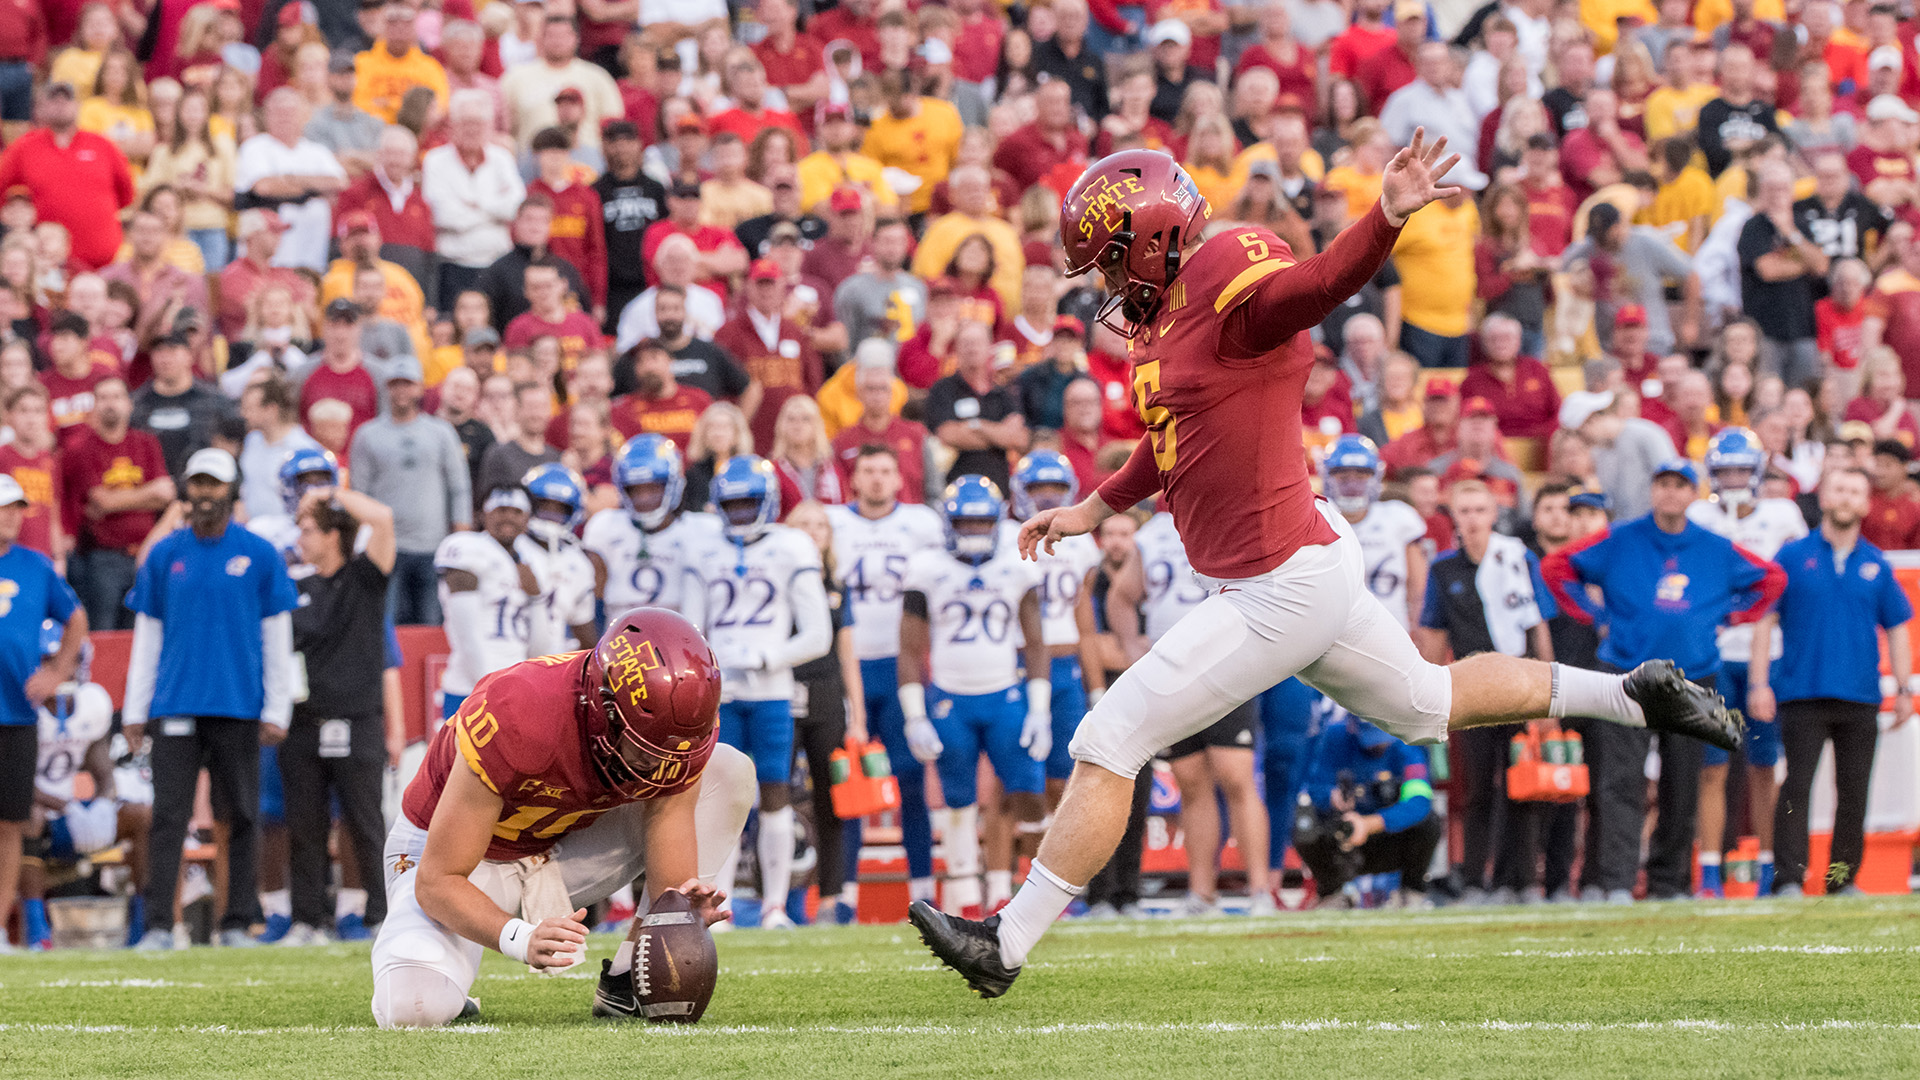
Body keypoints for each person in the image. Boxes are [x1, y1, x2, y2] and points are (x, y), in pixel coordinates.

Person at [912, 138, 1740, 999]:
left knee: (1108, 741)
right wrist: (1096, 507)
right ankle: (1630, 696)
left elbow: (1315, 288)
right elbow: (1178, 440)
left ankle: (1004, 944)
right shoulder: (1166, 320)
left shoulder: (1231, 269)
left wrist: (1382, 218)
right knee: (1429, 703)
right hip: (1311, 560)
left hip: (1278, 583)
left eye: (1112, 261)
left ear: (1153, 237)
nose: (1108, 285)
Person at [369, 610, 755, 1027]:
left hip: (552, 847)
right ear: (603, 705)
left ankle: (626, 983)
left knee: (727, 771)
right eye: (644, 750)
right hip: (453, 861)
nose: (656, 766)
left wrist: (675, 917)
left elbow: (670, 861)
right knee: (412, 1009)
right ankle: (450, 978)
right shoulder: (520, 711)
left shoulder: (674, 735)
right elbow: (437, 881)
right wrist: (519, 937)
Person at [1543, 459, 1785, 903]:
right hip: (1626, 671)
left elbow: (1772, 580)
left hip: (1692, 675)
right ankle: (1616, 882)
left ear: (1693, 493)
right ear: (1652, 491)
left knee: (1683, 781)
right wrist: (1595, 616)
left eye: (1680, 485)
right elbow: (1557, 567)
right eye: (1663, 484)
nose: (1671, 493)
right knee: (1620, 781)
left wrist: (1732, 617)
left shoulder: (1715, 547)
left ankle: (1668, 882)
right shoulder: (1620, 539)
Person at [125, 448, 299, 949]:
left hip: (239, 703)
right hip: (175, 702)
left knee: (240, 815)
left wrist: (276, 707)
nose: (205, 494)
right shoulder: (164, 555)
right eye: (198, 484)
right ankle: (161, 924)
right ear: (187, 489)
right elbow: (148, 637)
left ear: (233, 490)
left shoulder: (261, 554)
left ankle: (237, 921)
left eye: (214, 485)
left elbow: (277, 638)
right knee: (168, 817)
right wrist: (137, 709)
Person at [682, 456, 831, 929]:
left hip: (771, 689)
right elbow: (689, 629)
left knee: (774, 792)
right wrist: (710, 666)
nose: (741, 511)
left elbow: (818, 635)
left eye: (749, 502)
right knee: (720, 797)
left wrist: (770, 656)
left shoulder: (791, 546)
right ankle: (717, 910)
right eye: (733, 503)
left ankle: (774, 907)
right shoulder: (703, 548)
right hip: (720, 693)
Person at [895, 475, 1048, 919]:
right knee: (958, 801)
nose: (975, 530)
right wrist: (914, 715)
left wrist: (1038, 710)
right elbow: (908, 648)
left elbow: (1035, 643)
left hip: (1004, 694)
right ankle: (964, 898)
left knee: (1028, 794)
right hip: (950, 699)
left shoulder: (1017, 565)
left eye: (983, 522)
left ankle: (1027, 890)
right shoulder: (927, 568)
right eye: (966, 521)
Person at [1759, 466, 1913, 896]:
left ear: (1866, 504)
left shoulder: (1876, 564)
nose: (1846, 498)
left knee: (1853, 794)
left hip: (1860, 694)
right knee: (1796, 788)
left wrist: (1903, 689)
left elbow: (1899, 625)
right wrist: (1758, 683)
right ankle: (1788, 878)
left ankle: (1841, 881)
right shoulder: (1791, 557)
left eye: (1855, 492)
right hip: (1801, 692)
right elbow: (1764, 620)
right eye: (1839, 489)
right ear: (1824, 497)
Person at [1125, 502, 1273, 915]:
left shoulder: (1227, 517)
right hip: (1173, 669)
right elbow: (1122, 597)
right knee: (1190, 780)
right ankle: (1201, 890)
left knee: (1235, 775)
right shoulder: (1151, 534)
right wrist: (1132, 643)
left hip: (1225, 661)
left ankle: (1260, 888)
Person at [1414, 480, 1556, 904]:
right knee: (1476, 788)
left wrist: (1549, 694)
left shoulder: (1517, 558)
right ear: (1454, 516)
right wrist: (1433, 694)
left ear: (1494, 515)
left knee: (1524, 785)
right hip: (1472, 691)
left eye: (1480, 510)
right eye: (1465, 510)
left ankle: (1524, 880)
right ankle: (1475, 880)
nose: (1473, 519)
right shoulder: (1443, 570)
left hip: (1519, 686)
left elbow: (1538, 626)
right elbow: (1435, 635)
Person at [1685, 428, 1808, 897]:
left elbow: (1793, 585)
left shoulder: (1783, 515)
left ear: (1757, 471)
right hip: (1713, 655)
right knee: (1711, 768)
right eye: (1726, 470)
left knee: (1763, 766)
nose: (1734, 479)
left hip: (1768, 656)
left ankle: (1768, 868)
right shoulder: (1699, 516)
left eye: (1742, 469)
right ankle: (1710, 872)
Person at [826, 445, 947, 906]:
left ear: (901, 479)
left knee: (911, 778)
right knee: (849, 783)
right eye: (868, 471)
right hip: (848, 669)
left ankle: (921, 891)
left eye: (885, 471)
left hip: (903, 666)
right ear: (853, 479)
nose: (877, 479)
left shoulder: (921, 524)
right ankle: (846, 894)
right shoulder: (834, 523)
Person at [279, 482, 398, 945]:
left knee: (366, 824)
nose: (300, 539)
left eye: (308, 529)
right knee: (303, 827)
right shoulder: (295, 588)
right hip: (303, 723)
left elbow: (383, 519)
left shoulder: (365, 579)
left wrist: (328, 492)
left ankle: (381, 916)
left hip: (358, 721)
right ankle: (307, 920)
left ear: (332, 535)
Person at [0, 475, 88, 953]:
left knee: (11, 823)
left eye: (17, 508)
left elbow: (75, 618)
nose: (12, 515)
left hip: (15, 713)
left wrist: (57, 671)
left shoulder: (35, 566)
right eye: (4, 508)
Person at [1007, 452, 1106, 868]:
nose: (1046, 496)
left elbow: (1085, 623)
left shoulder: (1082, 543)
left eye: (1055, 488)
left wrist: (1097, 688)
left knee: (1064, 781)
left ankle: (1057, 875)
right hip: (1018, 666)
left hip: (1066, 668)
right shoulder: (1004, 538)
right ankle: (1003, 878)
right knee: (1014, 782)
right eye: (1036, 488)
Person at [782, 500, 869, 924]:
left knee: (831, 799)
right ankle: (778, 899)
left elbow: (848, 653)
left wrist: (858, 715)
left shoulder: (836, 583)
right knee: (775, 795)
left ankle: (833, 896)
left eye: (821, 524)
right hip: (780, 690)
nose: (814, 531)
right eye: (805, 523)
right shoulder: (776, 577)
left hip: (826, 693)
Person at [350, 355, 472, 625]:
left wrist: (460, 537)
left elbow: (458, 485)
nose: (402, 391)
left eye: (408, 384)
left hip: (433, 545)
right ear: (387, 388)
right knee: (388, 624)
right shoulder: (367, 435)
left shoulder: (440, 432)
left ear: (419, 388)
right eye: (395, 384)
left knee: (431, 622)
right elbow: (360, 493)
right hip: (386, 546)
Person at [1293, 708, 1442, 908]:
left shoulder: (1408, 745)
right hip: (1342, 836)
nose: (1377, 745)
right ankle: (1333, 892)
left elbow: (1419, 802)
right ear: (1352, 726)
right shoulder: (1335, 737)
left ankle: (1411, 892)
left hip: (1389, 835)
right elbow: (1312, 788)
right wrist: (1331, 797)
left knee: (1429, 823)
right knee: (1301, 822)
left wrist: (1369, 824)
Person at [434, 483, 554, 726]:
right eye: (500, 510)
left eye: (516, 511)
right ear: (482, 515)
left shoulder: (536, 560)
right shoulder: (467, 548)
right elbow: (466, 635)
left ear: (528, 518)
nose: (508, 517)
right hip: (470, 687)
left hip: (517, 686)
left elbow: (540, 648)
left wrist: (537, 598)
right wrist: (489, 690)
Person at [63, 378, 174, 632]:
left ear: (129, 404)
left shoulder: (146, 443)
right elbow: (100, 500)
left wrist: (114, 502)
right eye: (103, 398)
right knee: (103, 631)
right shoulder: (81, 448)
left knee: (143, 631)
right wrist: (148, 494)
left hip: (146, 554)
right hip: (102, 558)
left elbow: (166, 494)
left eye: (116, 397)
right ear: (93, 406)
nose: (110, 404)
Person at [583, 435, 722, 619]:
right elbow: (593, 601)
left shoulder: (704, 529)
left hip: (681, 638)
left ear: (674, 485)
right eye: (635, 489)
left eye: (653, 488)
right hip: (620, 639)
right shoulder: (605, 526)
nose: (644, 498)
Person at [0, 81, 134, 269]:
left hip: (103, 265)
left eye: (67, 99)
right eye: (53, 99)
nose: (61, 104)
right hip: (45, 266)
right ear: (40, 108)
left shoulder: (103, 145)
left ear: (78, 106)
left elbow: (126, 195)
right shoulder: (23, 148)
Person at [422, 91, 526, 304]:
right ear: (453, 125)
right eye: (466, 122)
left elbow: (516, 207)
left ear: (488, 126)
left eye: (478, 123)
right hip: (451, 266)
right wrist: (495, 210)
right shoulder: (435, 161)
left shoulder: (502, 159)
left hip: (497, 263)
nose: (472, 129)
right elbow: (442, 216)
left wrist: (477, 204)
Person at [1322, 435, 1429, 632]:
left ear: (1377, 476)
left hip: (1392, 631)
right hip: (1334, 634)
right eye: (1343, 477)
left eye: (1361, 477)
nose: (1352, 485)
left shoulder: (1398, 517)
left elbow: (1419, 589)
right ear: (1327, 476)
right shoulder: (1319, 517)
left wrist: (1418, 629)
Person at [1741, 161, 1831, 392]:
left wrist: (1791, 233)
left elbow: (1821, 266)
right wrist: (1804, 262)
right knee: (1767, 395)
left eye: (1782, 188)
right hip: (1765, 330)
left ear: (1791, 190)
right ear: (1762, 190)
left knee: (1805, 394)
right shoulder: (1753, 227)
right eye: (1771, 188)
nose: (1777, 194)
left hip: (1802, 328)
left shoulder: (1801, 224)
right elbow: (1768, 271)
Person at [236, 88, 348, 272]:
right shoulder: (255, 147)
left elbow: (339, 182)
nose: (284, 117)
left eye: (290, 112)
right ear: (266, 115)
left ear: (304, 115)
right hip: (270, 251)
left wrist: (290, 178)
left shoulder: (316, 151)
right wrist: (314, 190)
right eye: (278, 111)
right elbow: (264, 187)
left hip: (312, 250)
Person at [925, 321, 1030, 493]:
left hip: (998, 492)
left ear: (990, 347)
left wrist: (975, 426)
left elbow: (1018, 439)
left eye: (977, 343)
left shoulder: (1003, 392)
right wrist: (998, 435)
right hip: (954, 490)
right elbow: (948, 435)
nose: (971, 348)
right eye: (966, 343)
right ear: (956, 349)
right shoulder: (943, 389)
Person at [132, 333, 235, 480]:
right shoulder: (136, 404)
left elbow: (234, 442)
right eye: (159, 351)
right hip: (151, 489)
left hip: (202, 487)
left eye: (172, 350)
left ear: (189, 356)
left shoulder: (214, 401)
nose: (165, 359)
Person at [520, 463, 598, 651]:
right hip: (509, 655)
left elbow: (583, 631)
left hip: (551, 661)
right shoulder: (512, 548)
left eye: (559, 510)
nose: (549, 516)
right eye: (543, 506)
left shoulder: (578, 563)